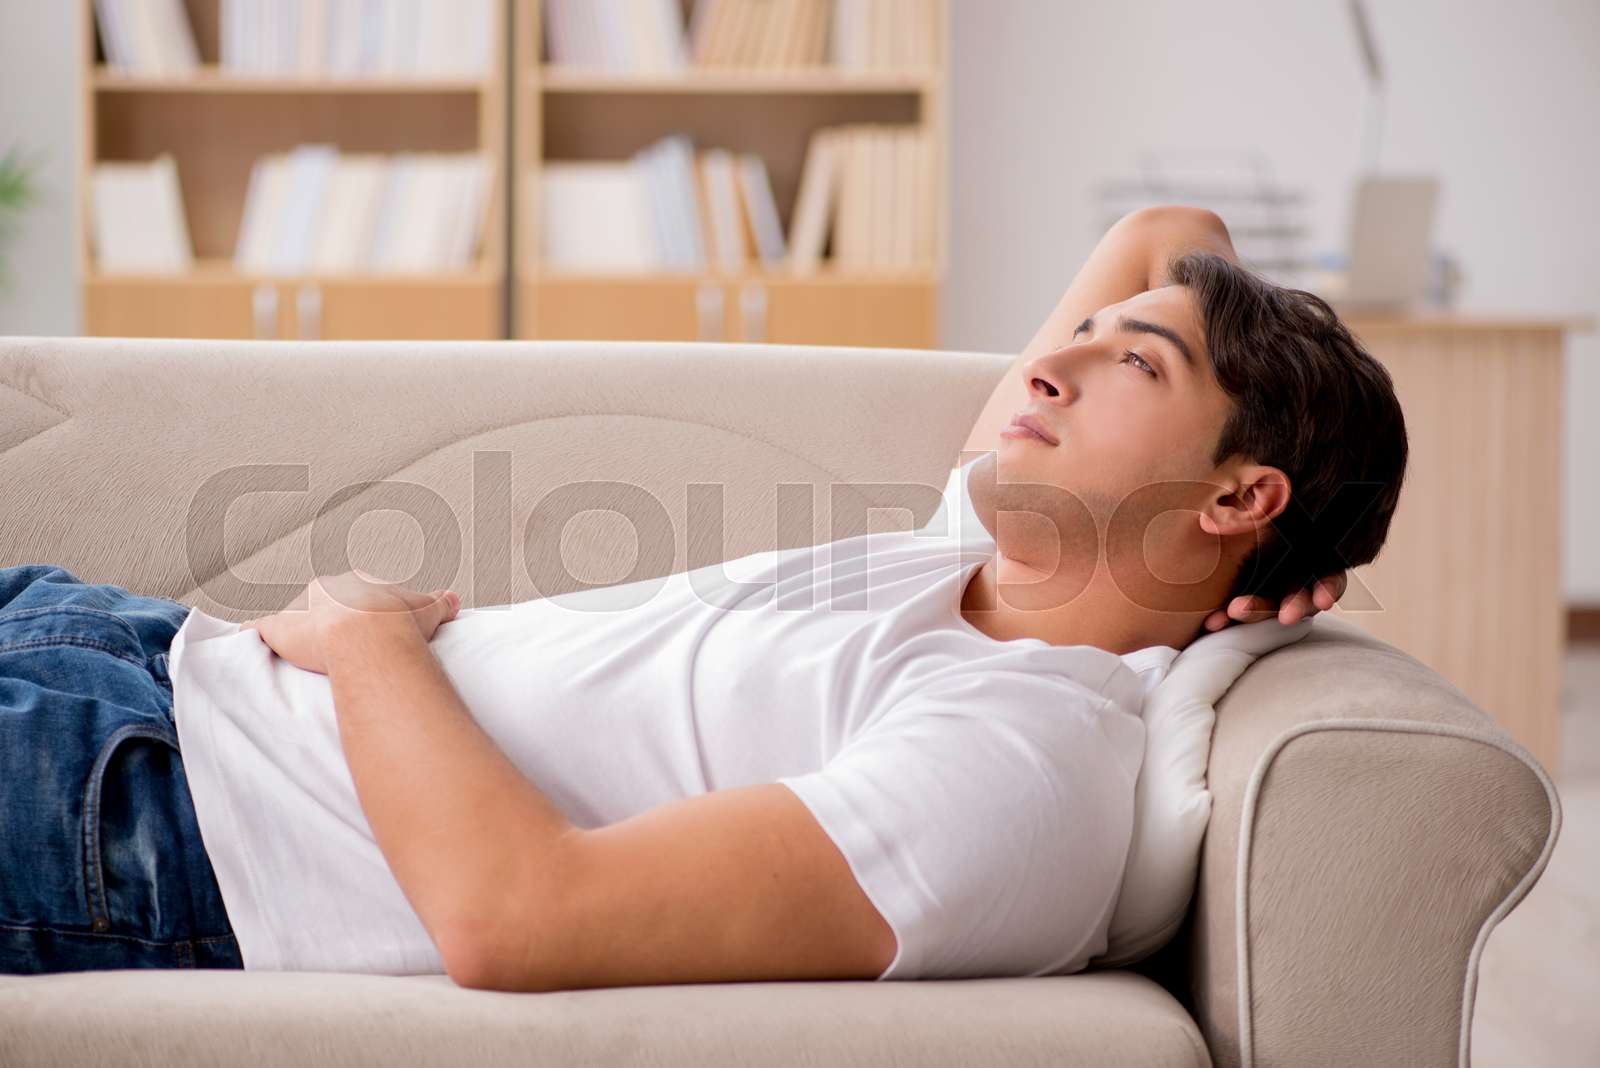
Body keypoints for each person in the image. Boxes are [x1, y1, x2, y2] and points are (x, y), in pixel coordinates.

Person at [0, 206, 1406, 992]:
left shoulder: (1019, 760)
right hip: (129, 654)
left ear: (1240, 498)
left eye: (1132, 369)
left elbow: (521, 918)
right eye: (1078, 342)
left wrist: (366, 639)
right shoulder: (971, 549)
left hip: (145, 820)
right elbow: (1168, 232)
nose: (1051, 370)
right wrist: (1238, 507)